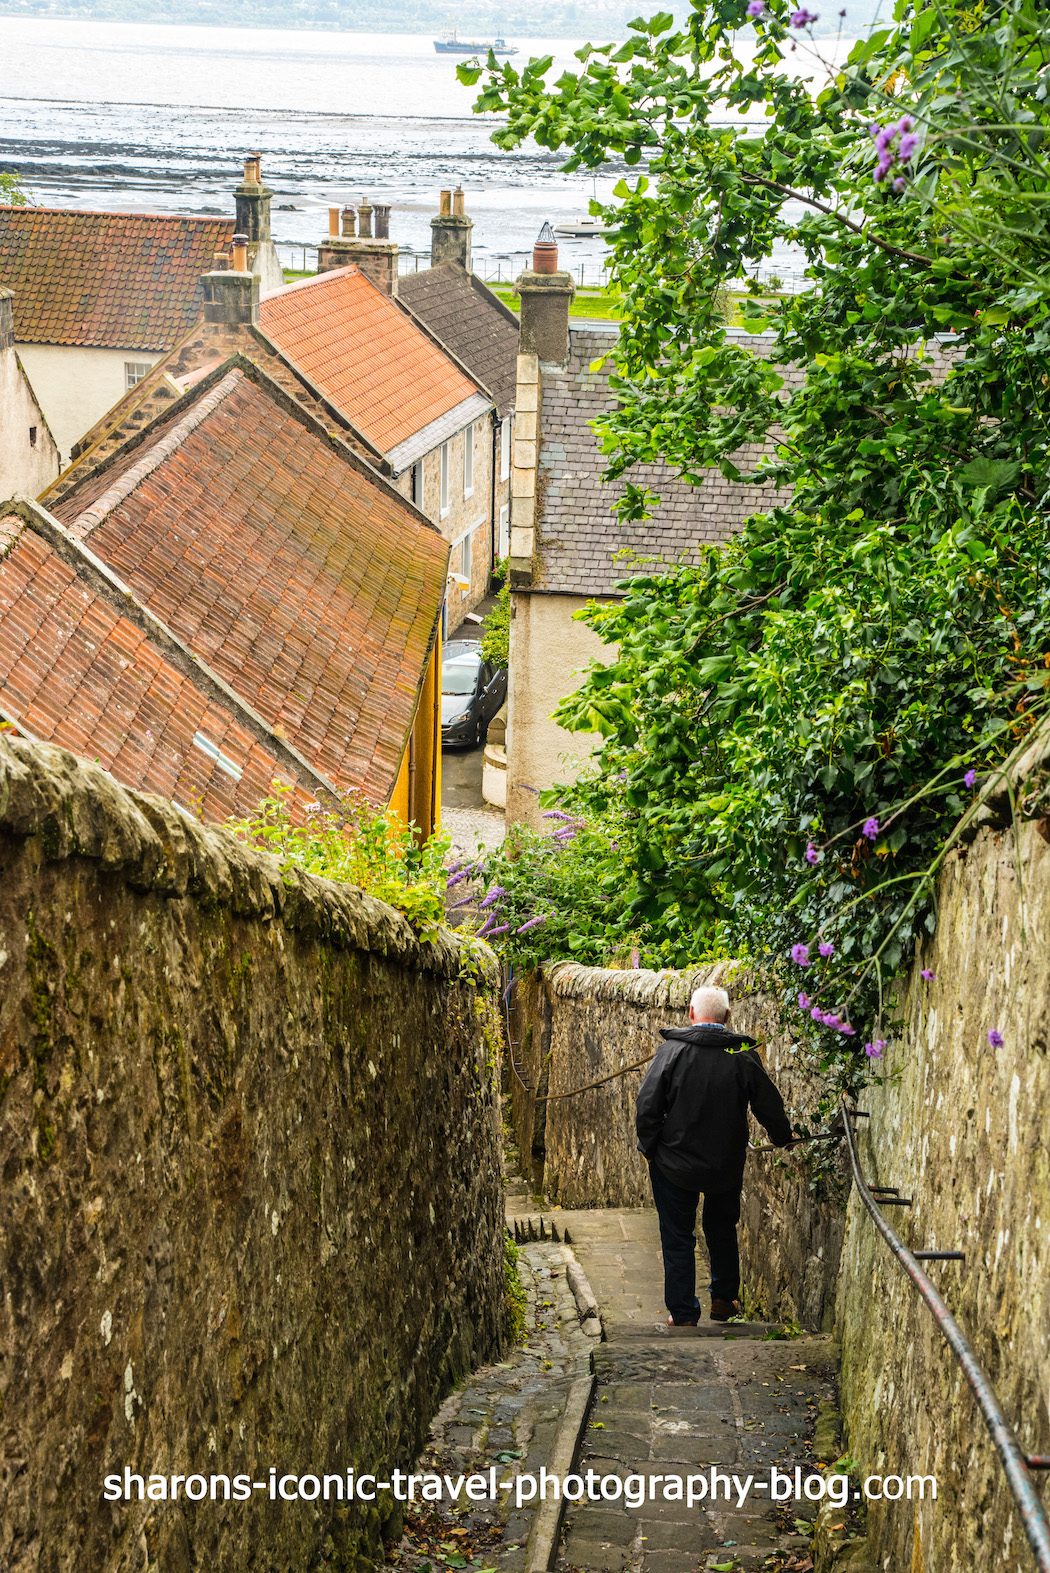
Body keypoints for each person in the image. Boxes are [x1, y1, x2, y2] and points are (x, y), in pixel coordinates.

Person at [635, 984, 793, 1325]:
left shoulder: (671, 1053)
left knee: (678, 1236)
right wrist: (783, 1137)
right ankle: (723, 1300)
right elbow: (769, 1104)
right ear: (728, 1016)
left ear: (692, 1014)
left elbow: (647, 1107)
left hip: (673, 1164)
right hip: (725, 1163)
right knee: (721, 1228)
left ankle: (684, 1313)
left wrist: (649, 1148)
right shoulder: (741, 1055)